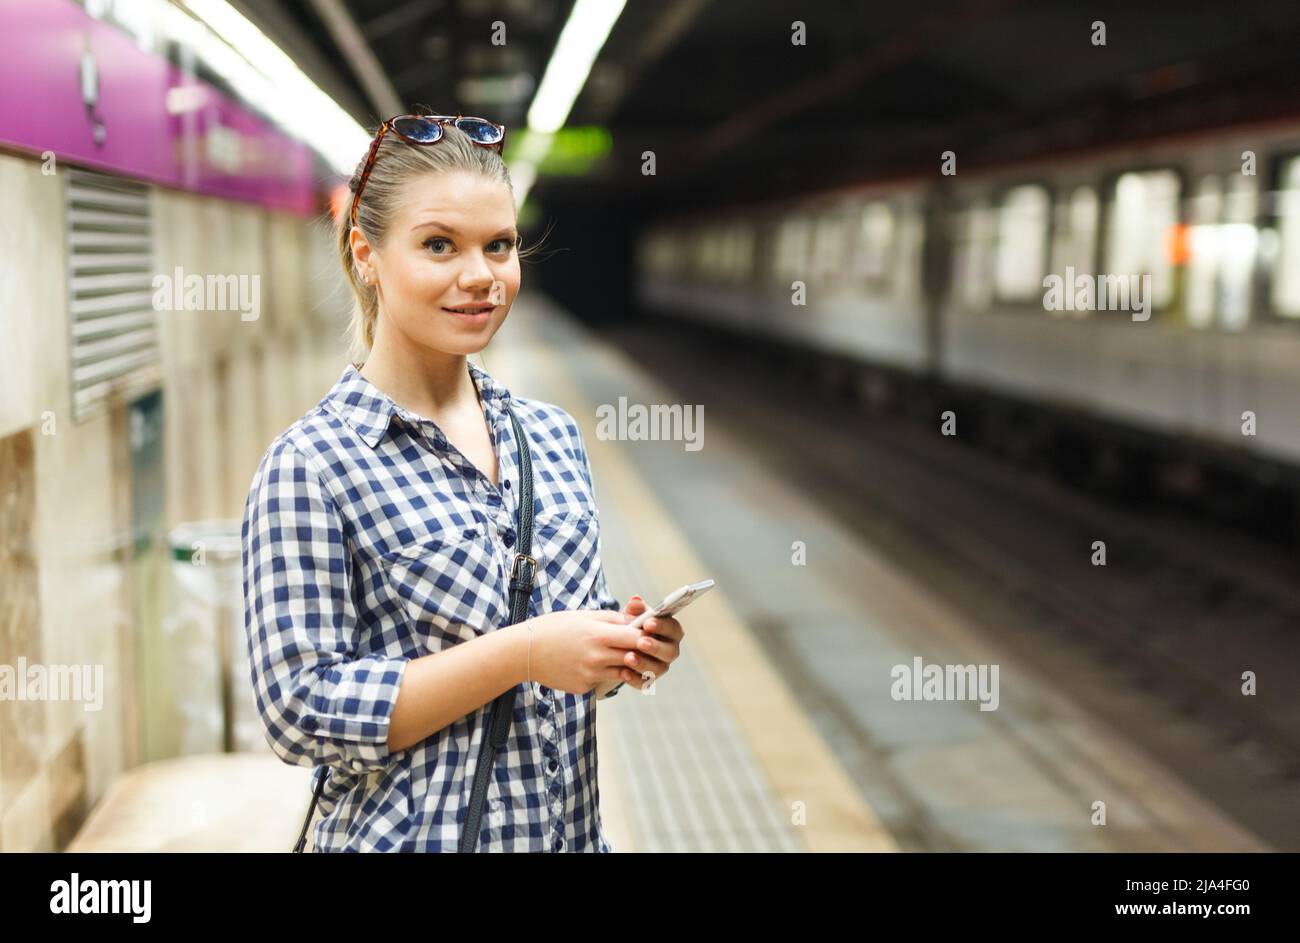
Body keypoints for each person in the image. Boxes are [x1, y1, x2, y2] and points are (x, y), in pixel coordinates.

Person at [240, 114, 686, 852]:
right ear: (368, 255)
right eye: (439, 245)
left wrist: (621, 649)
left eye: (499, 245)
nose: (479, 274)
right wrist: (526, 651)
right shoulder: (313, 464)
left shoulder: (549, 435)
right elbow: (300, 711)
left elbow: (567, 648)